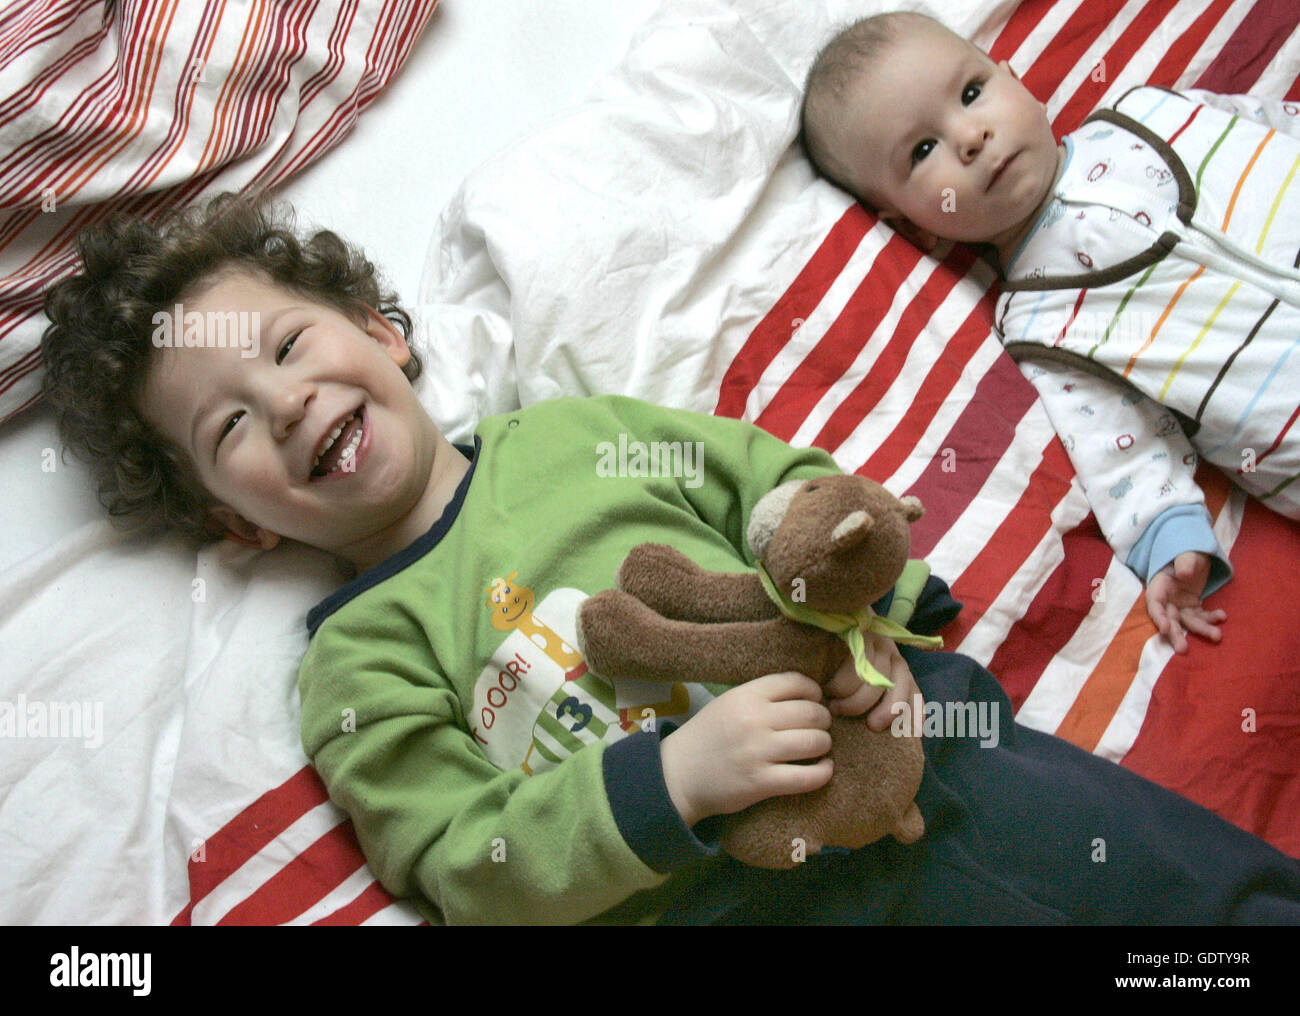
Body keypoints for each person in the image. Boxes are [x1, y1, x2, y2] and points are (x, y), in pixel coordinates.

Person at [40, 194, 1300, 925]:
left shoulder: (577, 437)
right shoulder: (359, 661)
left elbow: (760, 482)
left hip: (935, 755)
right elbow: (465, 856)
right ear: (239, 523)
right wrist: (673, 780)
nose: (285, 400)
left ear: (380, 331)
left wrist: (882, 593)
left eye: (287, 344)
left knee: (1185, 898)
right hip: (743, 908)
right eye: (229, 427)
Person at [801, 10, 1300, 655]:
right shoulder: (1039, 319)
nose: (971, 136)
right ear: (909, 223)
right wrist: (1167, 532)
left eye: (973, 92)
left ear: (1015, 76)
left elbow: (1264, 127)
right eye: (922, 151)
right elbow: (1116, 441)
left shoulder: (1144, 110)